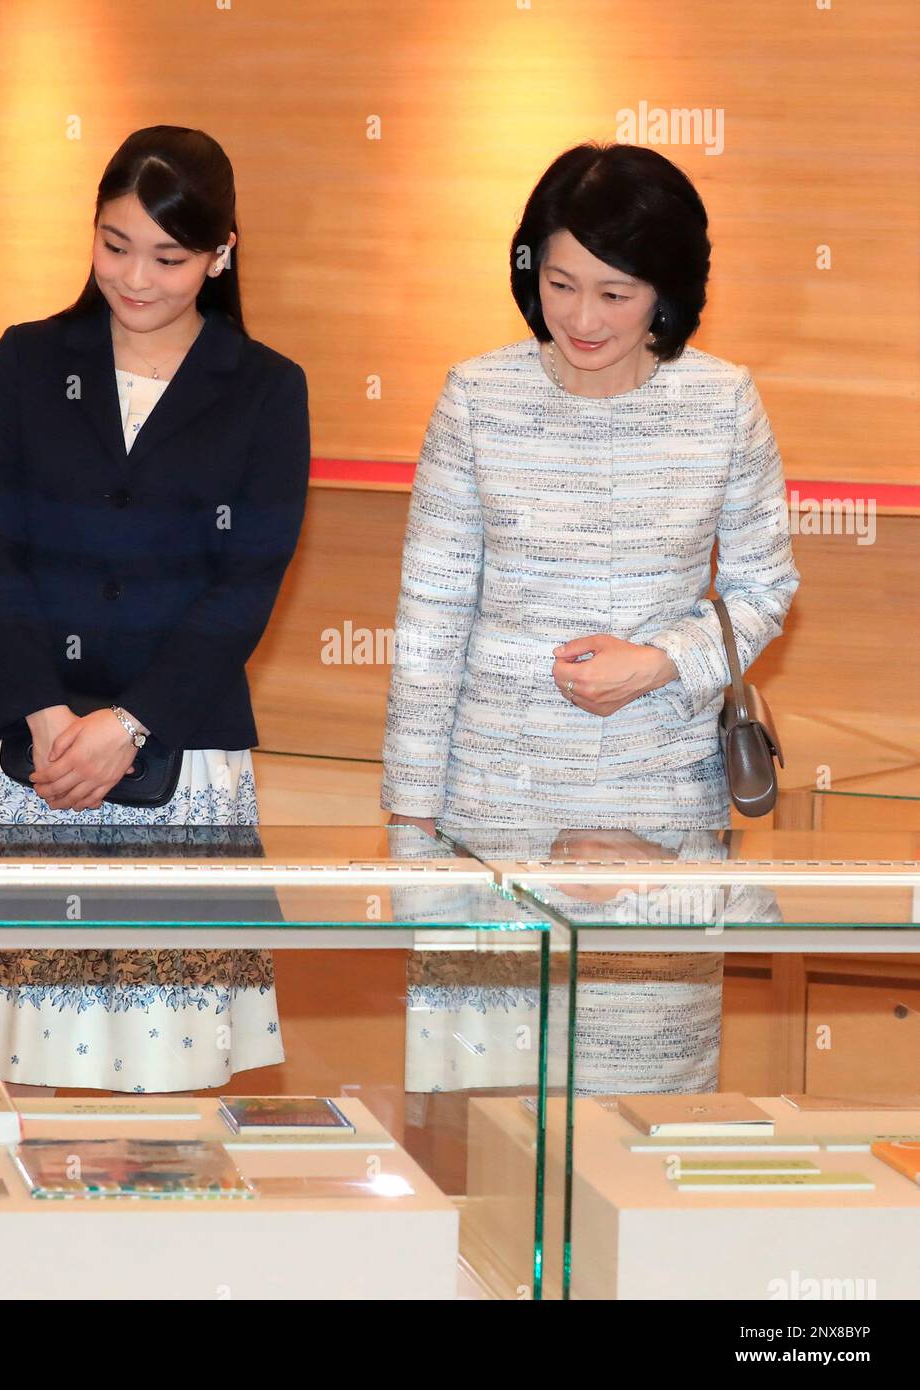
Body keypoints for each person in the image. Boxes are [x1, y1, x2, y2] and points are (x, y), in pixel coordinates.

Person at [381, 140, 800, 1098]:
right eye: (560, 284)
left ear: (668, 290)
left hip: (657, 812)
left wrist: (662, 660)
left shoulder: (720, 402)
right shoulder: (477, 397)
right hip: (488, 817)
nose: (580, 317)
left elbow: (764, 589)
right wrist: (410, 827)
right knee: (482, 1125)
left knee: (638, 1124)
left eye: (614, 293)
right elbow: (430, 619)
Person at [0, 126, 310, 1095]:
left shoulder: (266, 389)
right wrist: (51, 717)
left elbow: (245, 585)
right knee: (18, 1052)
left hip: (177, 743)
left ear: (222, 254)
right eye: (114, 244)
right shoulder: (23, 360)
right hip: (31, 747)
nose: (136, 278)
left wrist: (127, 725)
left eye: (170, 257)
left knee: (161, 1056)